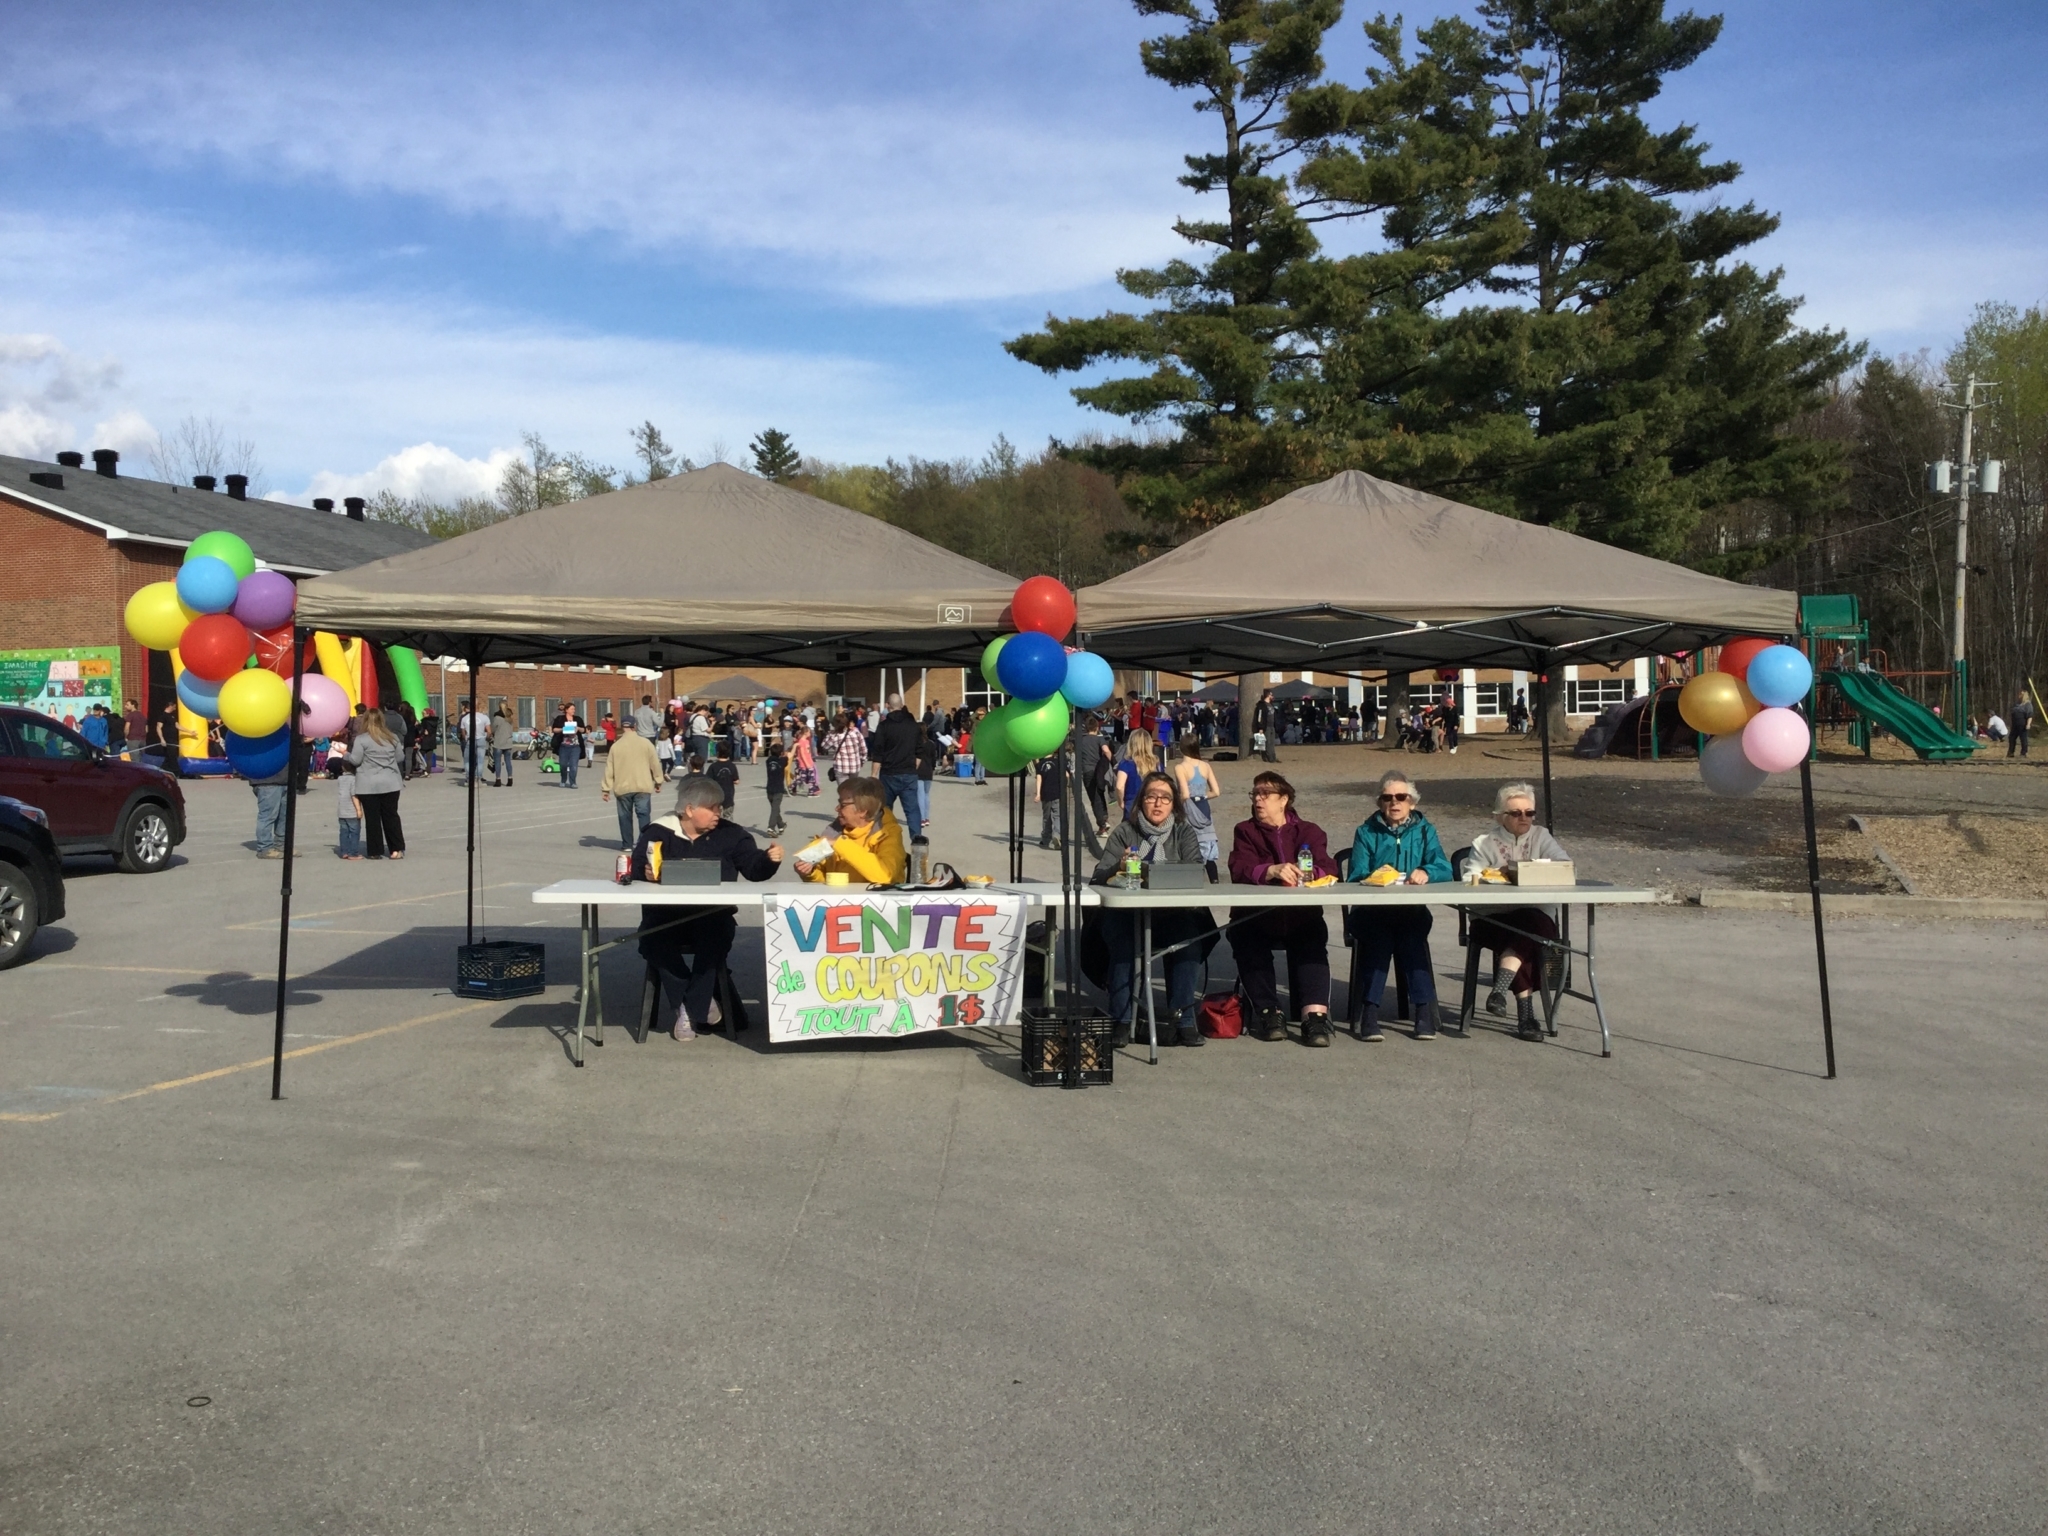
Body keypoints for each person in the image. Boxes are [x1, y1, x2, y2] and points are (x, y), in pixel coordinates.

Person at [633, 776, 783, 1039]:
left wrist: (769, 860)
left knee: (714, 941)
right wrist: (642, 872)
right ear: (690, 809)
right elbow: (633, 868)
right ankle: (696, 1005)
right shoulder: (657, 832)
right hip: (664, 916)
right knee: (651, 940)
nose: (719, 813)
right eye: (712, 808)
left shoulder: (732, 834)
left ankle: (688, 1009)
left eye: (720, 808)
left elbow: (753, 869)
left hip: (713, 915)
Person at [1093, 772, 1216, 1048]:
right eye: (1151, 796)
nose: (1158, 804)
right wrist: (1119, 867)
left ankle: (1183, 1021)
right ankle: (1122, 1020)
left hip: (1172, 912)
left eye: (1165, 798)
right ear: (1141, 802)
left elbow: (1195, 871)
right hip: (1127, 914)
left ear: (1174, 804)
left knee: (1189, 943)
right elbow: (1098, 875)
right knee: (1124, 946)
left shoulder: (1184, 832)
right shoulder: (1125, 831)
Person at [1226, 771, 1336, 1045]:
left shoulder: (1309, 831)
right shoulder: (1245, 831)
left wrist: (1310, 874)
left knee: (1311, 940)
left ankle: (1316, 1017)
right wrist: (1270, 870)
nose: (1258, 800)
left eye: (1265, 794)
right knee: (1247, 940)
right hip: (1256, 916)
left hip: (1301, 915)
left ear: (1284, 799)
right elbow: (1239, 867)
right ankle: (1269, 1012)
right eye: (1255, 794)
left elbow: (1330, 868)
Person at [1346, 770, 1452, 1040]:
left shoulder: (1425, 830)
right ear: (1380, 802)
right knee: (1380, 937)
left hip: (1410, 910)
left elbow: (1444, 867)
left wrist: (1427, 871)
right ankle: (1369, 1014)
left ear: (1412, 802)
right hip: (1371, 911)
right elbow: (1356, 874)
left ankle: (1423, 1012)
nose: (1394, 802)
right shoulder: (1366, 832)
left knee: (1411, 936)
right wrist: (1377, 877)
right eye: (1387, 797)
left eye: (1401, 797)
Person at [1467, 781, 1569, 1041]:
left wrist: (1533, 869)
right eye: (1516, 813)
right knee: (1525, 936)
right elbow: (1469, 878)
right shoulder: (1484, 843)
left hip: (1535, 916)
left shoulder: (1541, 836)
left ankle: (1501, 988)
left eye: (1529, 813)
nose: (1524, 818)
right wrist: (1495, 876)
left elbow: (1564, 865)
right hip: (1493, 917)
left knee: (1531, 926)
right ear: (1500, 816)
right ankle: (1526, 1017)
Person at [794, 776, 908, 885]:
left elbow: (885, 875)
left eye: (842, 805)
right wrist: (810, 873)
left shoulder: (888, 833)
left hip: (875, 903)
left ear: (862, 811)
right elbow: (826, 881)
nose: (836, 808)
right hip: (839, 901)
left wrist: (840, 843)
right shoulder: (834, 831)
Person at [348, 710, 407, 859]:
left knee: (372, 818)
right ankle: (396, 849)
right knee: (391, 816)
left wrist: (345, 754)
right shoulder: (392, 737)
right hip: (390, 782)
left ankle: (375, 851)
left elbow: (355, 760)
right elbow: (400, 757)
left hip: (368, 783)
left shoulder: (361, 739)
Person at [600, 716, 661, 848]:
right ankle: (644, 844)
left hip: (623, 786)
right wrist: (658, 781)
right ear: (635, 726)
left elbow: (609, 769)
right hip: (642, 785)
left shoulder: (616, 746)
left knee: (625, 817)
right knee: (643, 815)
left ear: (623, 727)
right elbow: (655, 764)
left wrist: (606, 789)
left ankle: (627, 844)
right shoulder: (646, 743)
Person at [871, 692, 924, 841]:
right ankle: (917, 841)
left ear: (888, 706)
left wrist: (874, 776)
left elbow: (878, 753)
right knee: (912, 811)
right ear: (901, 705)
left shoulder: (884, 726)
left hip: (888, 774)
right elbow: (920, 751)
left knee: (885, 811)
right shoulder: (913, 726)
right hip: (909, 773)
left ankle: (885, 840)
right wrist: (913, 767)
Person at [1171, 741, 1223, 863]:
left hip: (1189, 808)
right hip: (1204, 806)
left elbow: (1185, 794)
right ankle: (1213, 878)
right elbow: (1216, 792)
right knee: (1208, 842)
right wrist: (1202, 796)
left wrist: (1175, 804)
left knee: (1191, 840)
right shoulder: (1205, 766)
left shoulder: (1180, 767)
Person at [249, 737, 292, 859]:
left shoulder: (284, 733)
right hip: (267, 781)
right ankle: (264, 847)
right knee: (268, 815)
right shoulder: (259, 732)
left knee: (284, 816)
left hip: (285, 778)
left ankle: (282, 845)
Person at [1113, 732, 1159, 819]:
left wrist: (1121, 802)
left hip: (1132, 805)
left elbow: (1119, 786)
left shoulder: (1126, 763)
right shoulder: (1156, 764)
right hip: (1151, 804)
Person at [332, 752, 363, 860]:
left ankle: (344, 851)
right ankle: (353, 853)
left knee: (344, 832)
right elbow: (354, 795)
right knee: (354, 832)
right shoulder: (354, 780)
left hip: (342, 810)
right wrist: (359, 810)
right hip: (351, 811)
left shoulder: (341, 779)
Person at [1034, 753, 1064, 849]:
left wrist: (1038, 794)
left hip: (1045, 793)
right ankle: (1057, 834)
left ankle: (1045, 839)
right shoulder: (1058, 763)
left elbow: (1039, 780)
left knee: (1046, 816)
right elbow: (1066, 775)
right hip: (1057, 792)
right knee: (1057, 815)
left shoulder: (1040, 764)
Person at [553, 704, 584, 788]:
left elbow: (583, 729)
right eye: (572, 709)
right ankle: (563, 779)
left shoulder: (578, 719)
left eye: (574, 709)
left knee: (573, 765)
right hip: (563, 746)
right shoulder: (560, 719)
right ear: (566, 710)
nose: (573, 710)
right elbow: (554, 729)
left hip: (575, 746)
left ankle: (573, 782)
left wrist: (578, 728)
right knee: (563, 765)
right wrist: (562, 729)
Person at [763, 738, 789, 835]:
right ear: (781, 753)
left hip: (769, 788)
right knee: (775, 808)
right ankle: (771, 827)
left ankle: (781, 825)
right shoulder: (782, 761)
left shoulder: (768, 761)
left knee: (775, 808)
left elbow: (776, 754)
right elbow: (787, 757)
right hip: (778, 789)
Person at [707, 740, 740, 812]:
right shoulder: (732, 766)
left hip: (716, 797)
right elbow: (737, 781)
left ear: (717, 752)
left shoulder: (713, 766)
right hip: (728, 796)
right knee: (728, 817)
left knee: (716, 818)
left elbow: (708, 781)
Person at [791, 722, 819, 796]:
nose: (810, 733)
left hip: (809, 761)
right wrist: (806, 763)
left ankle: (811, 791)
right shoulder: (801, 742)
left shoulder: (807, 741)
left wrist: (811, 761)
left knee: (811, 777)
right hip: (803, 763)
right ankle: (792, 786)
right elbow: (802, 754)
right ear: (806, 732)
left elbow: (808, 753)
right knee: (801, 777)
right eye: (809, 732)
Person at [489, 708, 516, 786]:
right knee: (508, 761)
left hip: (498, 742)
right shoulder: (510, 720)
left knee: (497, 761)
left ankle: (498, 779)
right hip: (508, 742)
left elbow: (492, 729)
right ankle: (510, 779)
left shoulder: (497, 719)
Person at [1253, 689, 1281, 762]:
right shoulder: (1262, 705)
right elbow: (1259, 717)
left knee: (1272, 742)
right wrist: (1260, 727)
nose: (1272, 696)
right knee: (1267, 742)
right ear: (1268, 695)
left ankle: (1273, 757)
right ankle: (1269, 758)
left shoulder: (1271, 705)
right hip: (1266, 727)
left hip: (1272, 726)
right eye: (1271, 695)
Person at [2012, 689, 2035, 759]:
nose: (2019, 696)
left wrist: (2028, 724)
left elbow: (2030, 715)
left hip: (2022, 724)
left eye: (2021, 694)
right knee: (2012, 738)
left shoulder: (2028, 704)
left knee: (2023, 739)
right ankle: (2010, 752)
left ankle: (2024, 752)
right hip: (2015, 724)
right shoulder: (2017, 704)